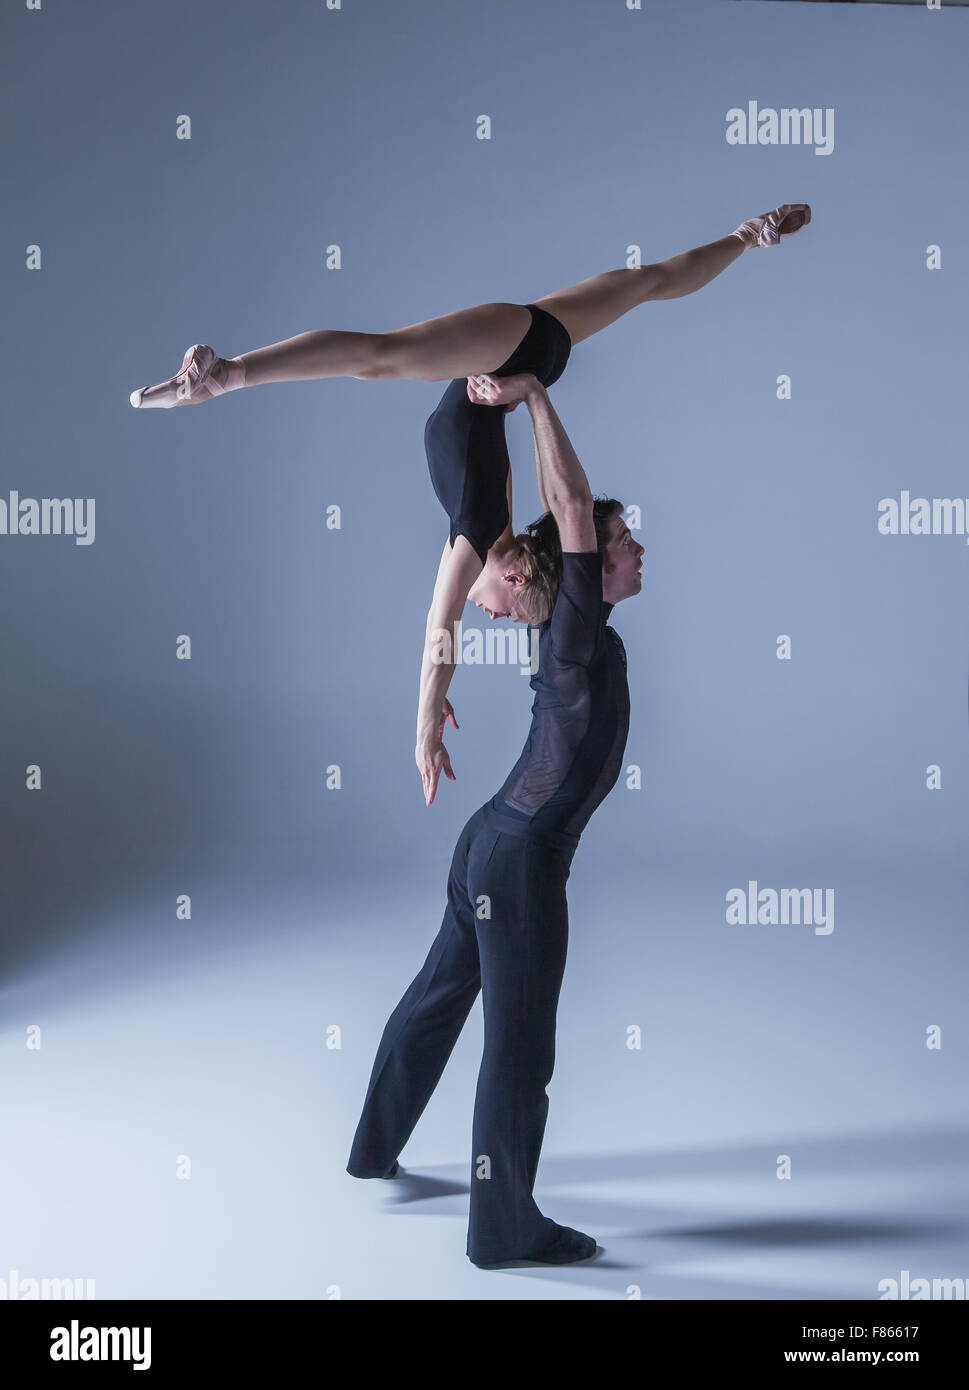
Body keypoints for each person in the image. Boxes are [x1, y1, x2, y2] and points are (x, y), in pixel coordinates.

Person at [127, 206, 811, 805]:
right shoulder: (480, 536)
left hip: (538, 349)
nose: (491, 615)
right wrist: (426, 723)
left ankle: (746, 236)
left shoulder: (487, 526)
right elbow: (440, 626)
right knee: (379, 356)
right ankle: (225, 377)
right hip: (508, 350)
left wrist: (435, 697)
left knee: (647, 284)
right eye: (508, 614)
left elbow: (449, 625)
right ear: (516, 576)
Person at [345, 367, 643, 1265]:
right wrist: (538, 396)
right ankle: (503, 1228)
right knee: (518, 1050)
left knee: (439, 1000)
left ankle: (372, 1148)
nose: (638, 552)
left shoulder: (568, 624)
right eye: (626, 542)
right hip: (518, 866)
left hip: (487, 844)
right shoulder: (575, 625)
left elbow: (558, 515)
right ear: (589, 558)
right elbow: (573, 501)